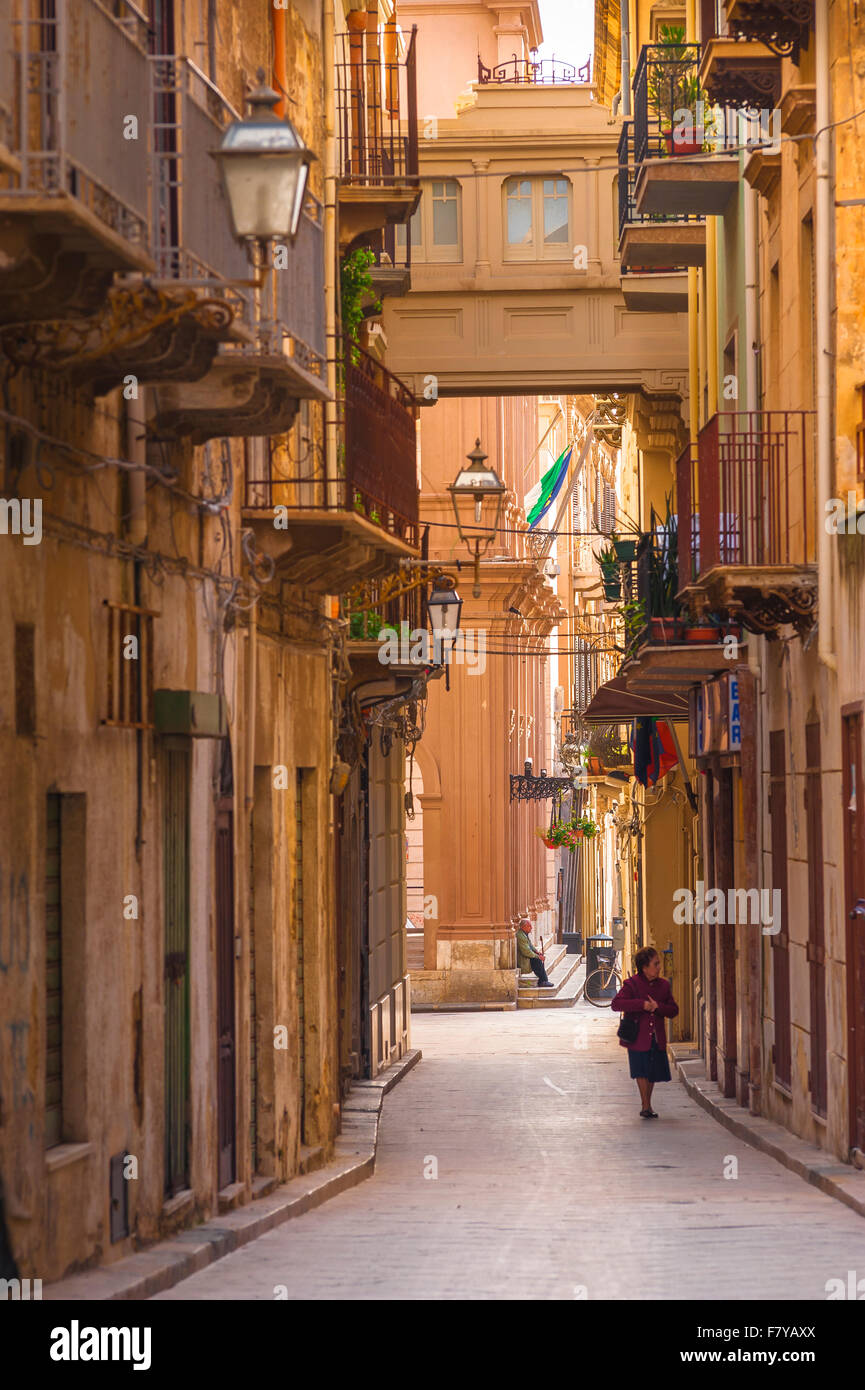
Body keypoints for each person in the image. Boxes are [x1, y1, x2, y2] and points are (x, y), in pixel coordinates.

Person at [611, 945, 679, 1118]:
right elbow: (616, 1004)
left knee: (652, 1071)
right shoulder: (631, 984)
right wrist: (641, 1004)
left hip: (657, 1036)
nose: (659, 967)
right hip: (637, 1036)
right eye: (655, 964)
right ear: (645, 967)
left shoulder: (663, 986)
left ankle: (647, 1103)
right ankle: (646, 1104)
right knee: (641, 1070)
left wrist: (657, 1007)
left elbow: (673, 1010)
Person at [515, 918, 552, 987]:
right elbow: (526, 952)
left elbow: (530, 946)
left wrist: (537, 952)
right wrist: (538, 956)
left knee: (537, 960)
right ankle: (543, 981)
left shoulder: (524, 934)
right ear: (524, 927)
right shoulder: (520, 936)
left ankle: (544, 980)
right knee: (537, 960)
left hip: (526, 956)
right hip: (523, 959)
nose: (531, 928)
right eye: (529, 926)